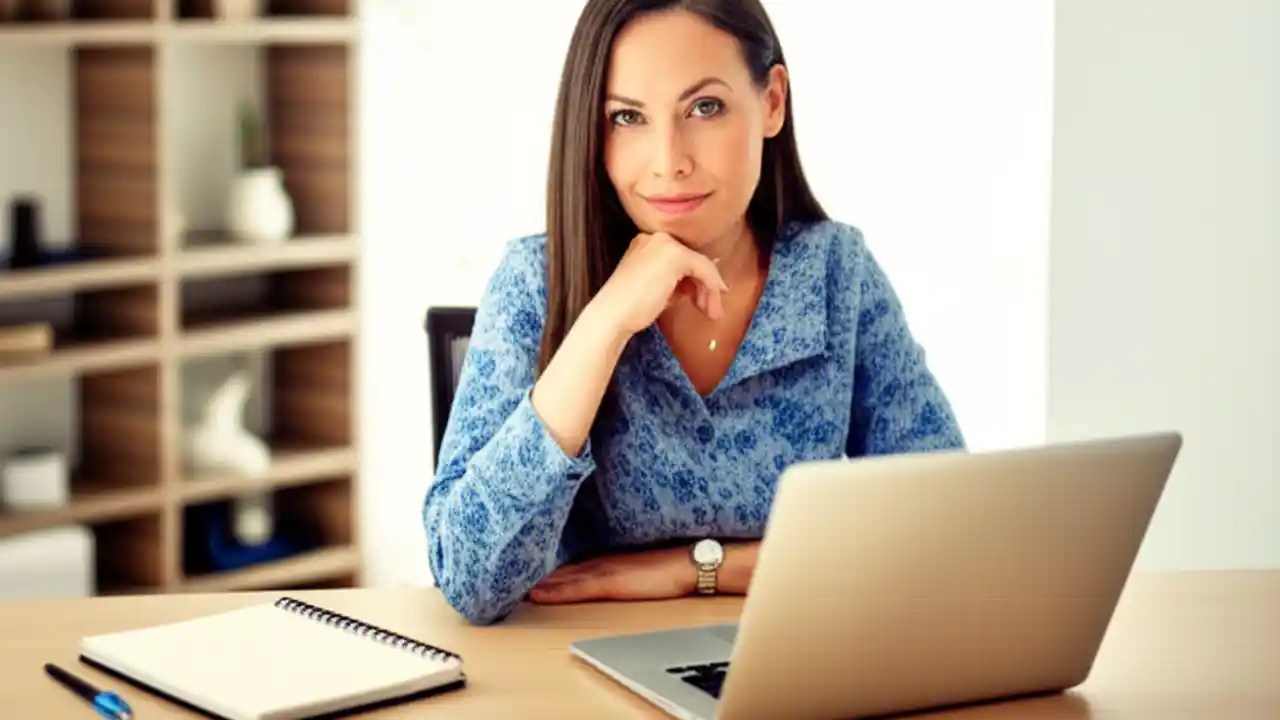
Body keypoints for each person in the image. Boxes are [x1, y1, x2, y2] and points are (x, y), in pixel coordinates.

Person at [423, 0, 965, 626]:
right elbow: (467, 579)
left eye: (703, 108)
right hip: (575, 673)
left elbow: (944, 525)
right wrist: (604, 325)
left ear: (771, 102)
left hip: (786, 662)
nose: (668, 161)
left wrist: (693, 570)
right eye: (627, 117)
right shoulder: (535, 283)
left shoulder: (835, 273)